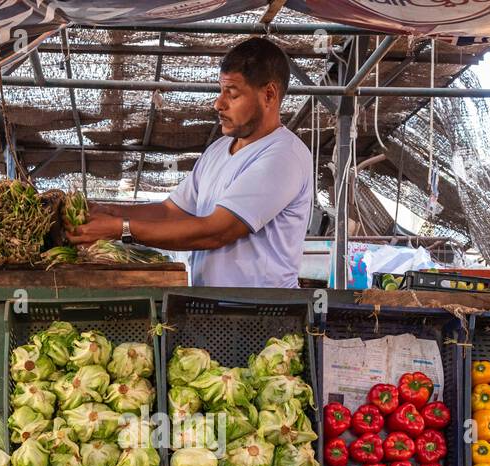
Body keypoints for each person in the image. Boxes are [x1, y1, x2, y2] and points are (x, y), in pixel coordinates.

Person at [65, 37, 313, 288]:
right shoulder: (217, 150)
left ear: (269, 94)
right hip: (212, 309)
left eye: (232, 93)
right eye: (221, 90)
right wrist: (110, 211)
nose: (219, 103)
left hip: (261, 314)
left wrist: (121, 229)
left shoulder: (283, 155)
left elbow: (216, 231)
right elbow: (170, 211)